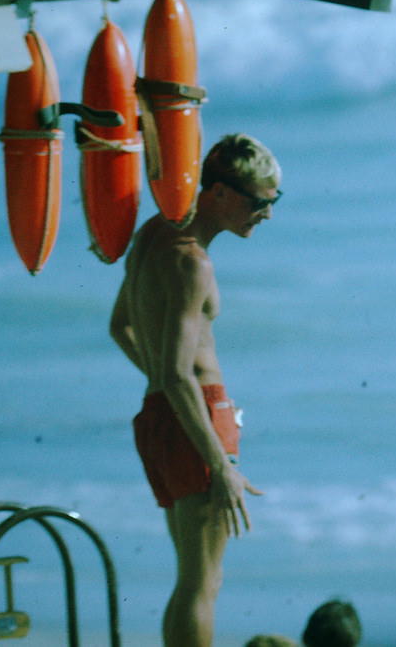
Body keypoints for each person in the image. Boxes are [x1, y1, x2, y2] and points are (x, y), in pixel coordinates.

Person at [110, 133, 282, 647]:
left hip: (165, 416)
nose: (267, 215)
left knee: (191, 578)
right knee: (203, 583)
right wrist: (221, 466)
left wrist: (162, 384)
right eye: (261, 202)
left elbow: (121, 326)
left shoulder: (151, 236)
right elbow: (179, 373)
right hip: (197, 416)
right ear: (222, 194)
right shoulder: (192, 261)